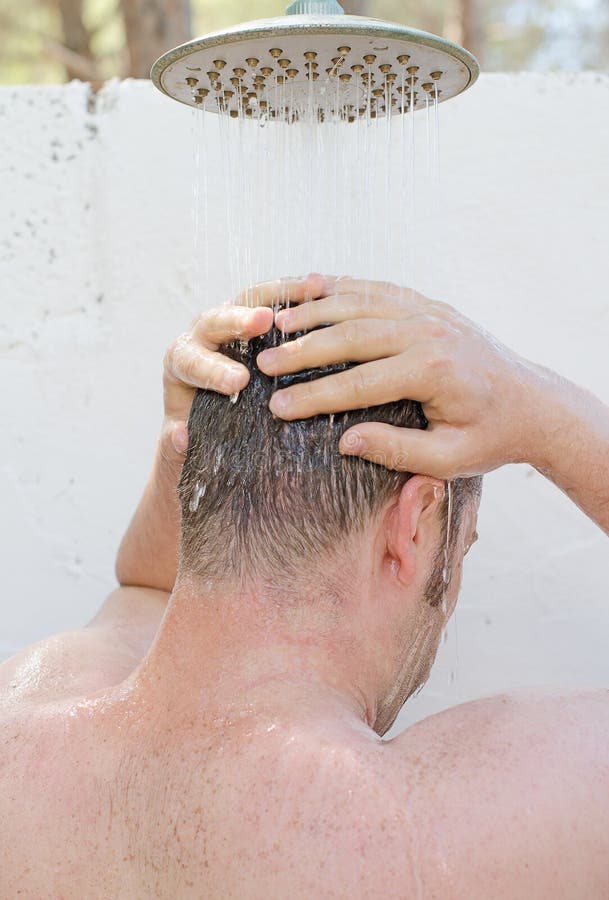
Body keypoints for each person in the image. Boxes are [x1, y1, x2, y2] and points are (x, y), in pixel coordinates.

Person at [1, 274, 608, 898]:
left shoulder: (22, 731)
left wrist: (185, 443)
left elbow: (147, 592)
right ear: (417, 523)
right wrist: (546, 415)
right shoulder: (463, 821)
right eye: (463, 544)